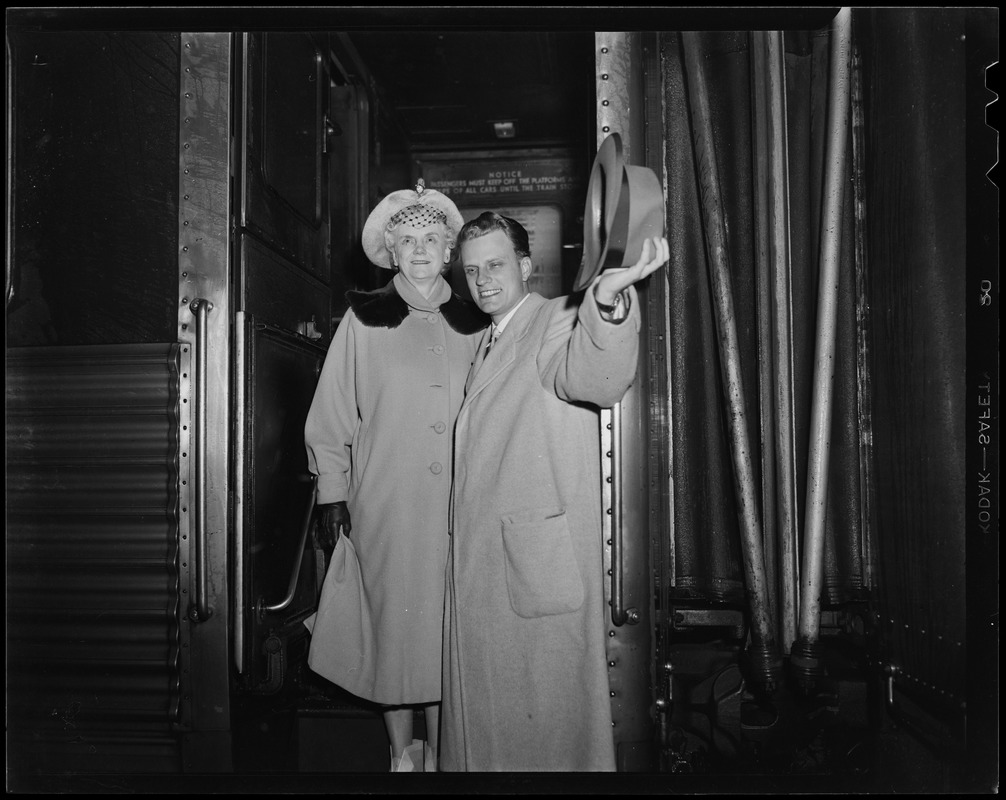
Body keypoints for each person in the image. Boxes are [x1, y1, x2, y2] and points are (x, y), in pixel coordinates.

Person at [440, 212, 669, 771]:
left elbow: (597, 376)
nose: (483, 281)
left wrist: (608, 302)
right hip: (491, 573)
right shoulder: (488, 340)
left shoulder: (555, 318)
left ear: (524, 266)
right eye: (471, 271)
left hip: (526, 575)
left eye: (495, 265)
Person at [304, 181, 488, 772]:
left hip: (460, 506)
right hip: (385, 501)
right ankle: (401, 755)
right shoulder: (364, 318)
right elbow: (331, 412)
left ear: (448, 247)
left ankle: (444, 752)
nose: (419, 249)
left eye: (431, 238)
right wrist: (334, 492)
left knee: (441, 629)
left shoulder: (475, 321)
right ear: (390, 250)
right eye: (406, 239)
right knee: (392, 624)